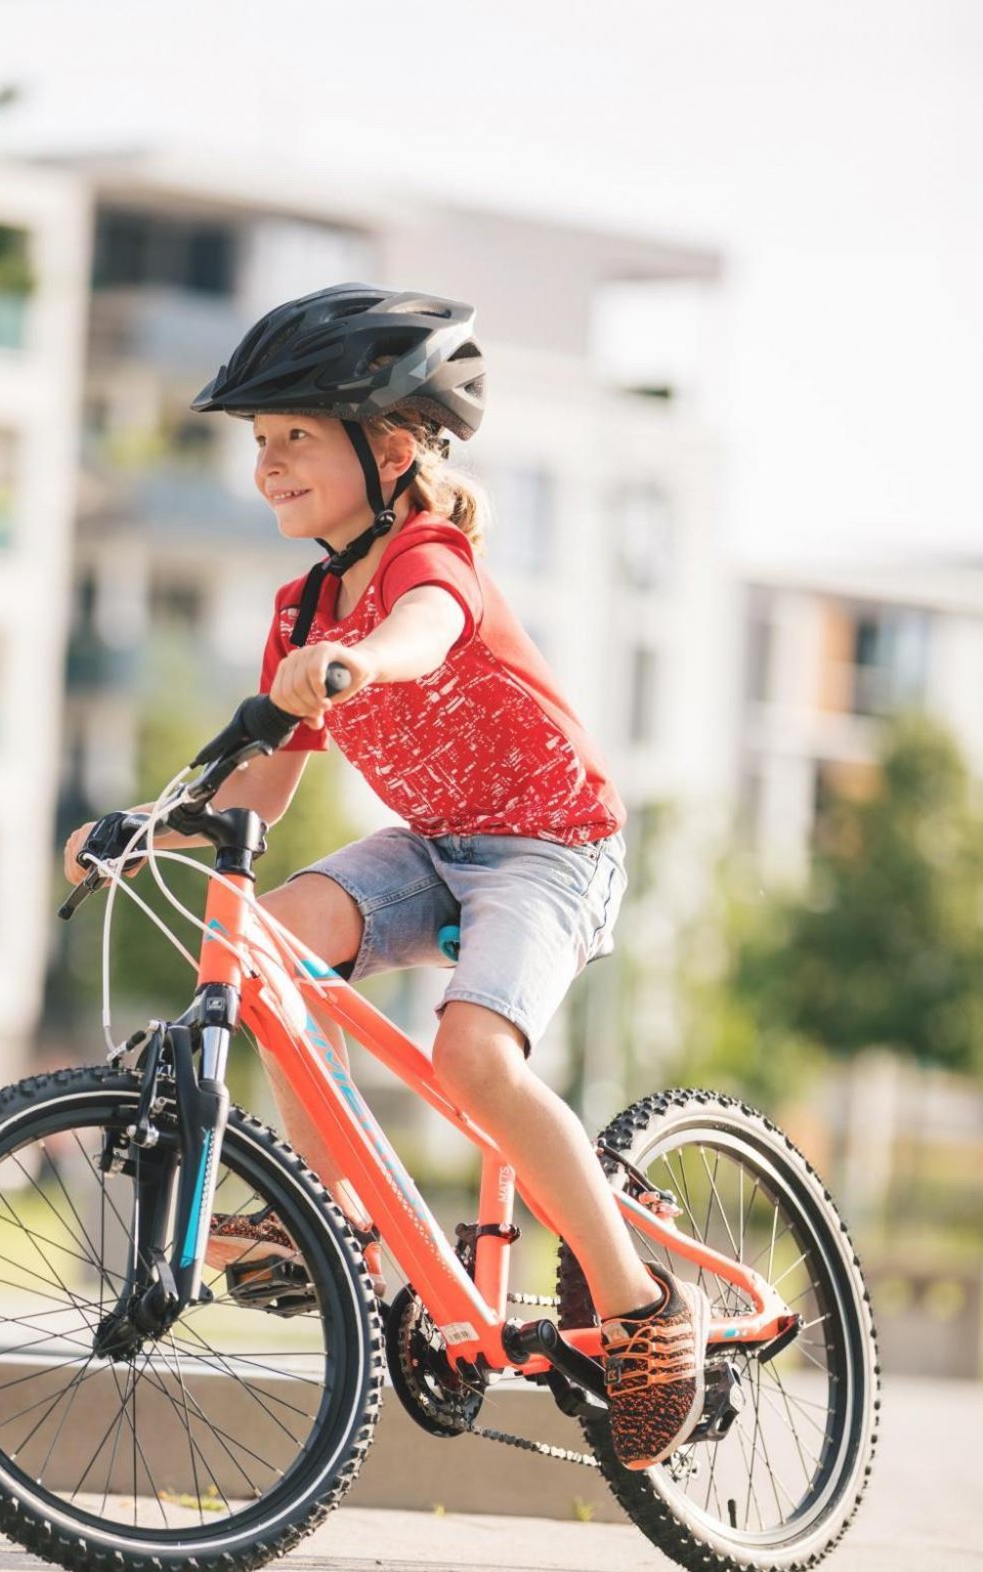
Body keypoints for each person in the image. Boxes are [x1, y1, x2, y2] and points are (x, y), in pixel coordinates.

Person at [63, 284, 707, 1471]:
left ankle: (641, 1308)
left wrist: (358, 661)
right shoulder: (300, 604)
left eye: (294, 437)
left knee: (473, 1057)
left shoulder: (426, 555)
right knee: (267, 946)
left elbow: (422, 631)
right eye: (257, 444)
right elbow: (258, 786)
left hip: (550, 844)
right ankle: (343, 1220)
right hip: (432, 846)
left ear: (393, 447)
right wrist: (151, 831)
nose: (266, 466)